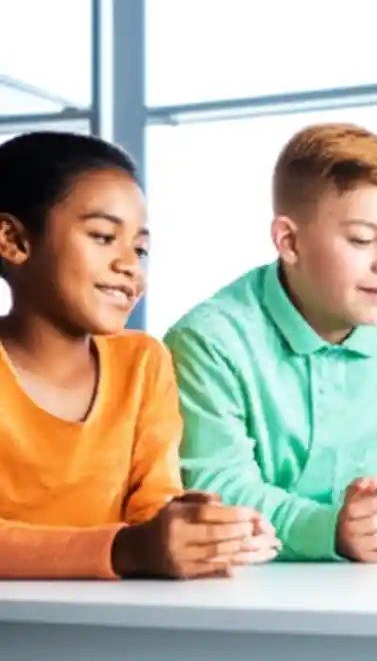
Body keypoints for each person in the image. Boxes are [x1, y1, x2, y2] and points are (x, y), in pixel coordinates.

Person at [0, 131, 277, 579]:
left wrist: (194, 527)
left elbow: (153, 503)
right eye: (104, 236)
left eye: (140, 248)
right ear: (14, 240)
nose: (131, 264)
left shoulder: (144, 362)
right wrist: (124, 550)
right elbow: (131, 545)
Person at [165, 123, 377, 563]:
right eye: (362, 240)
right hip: (239, 591)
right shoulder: (207, 343)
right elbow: (218, 483)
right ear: (289, 242)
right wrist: (330, 530)